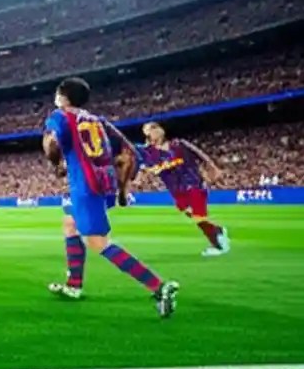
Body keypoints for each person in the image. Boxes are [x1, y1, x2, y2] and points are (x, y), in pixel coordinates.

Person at [43, 77, 179, 317]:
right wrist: (123, 189)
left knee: (98, 242)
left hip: (85, 187)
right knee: (70, 223)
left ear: (63, 97)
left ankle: (159, 287)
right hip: (105, 183)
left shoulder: (60, 116)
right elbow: (130, 152)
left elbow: (51, 145)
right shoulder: (97, 120)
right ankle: (74, 285)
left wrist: (55, 163)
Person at [140, 121, 231, 257]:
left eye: (153, 129)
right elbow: (147, 168)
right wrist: (145, 173)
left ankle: (219, 245)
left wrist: (213, 167)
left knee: (199, 216)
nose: (152, 133)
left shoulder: (179, 144)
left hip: (193, 183)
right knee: (192, 215)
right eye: (148, 132)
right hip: (176, 190)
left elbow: (199, 153)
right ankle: (217, 230)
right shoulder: (150, 153)